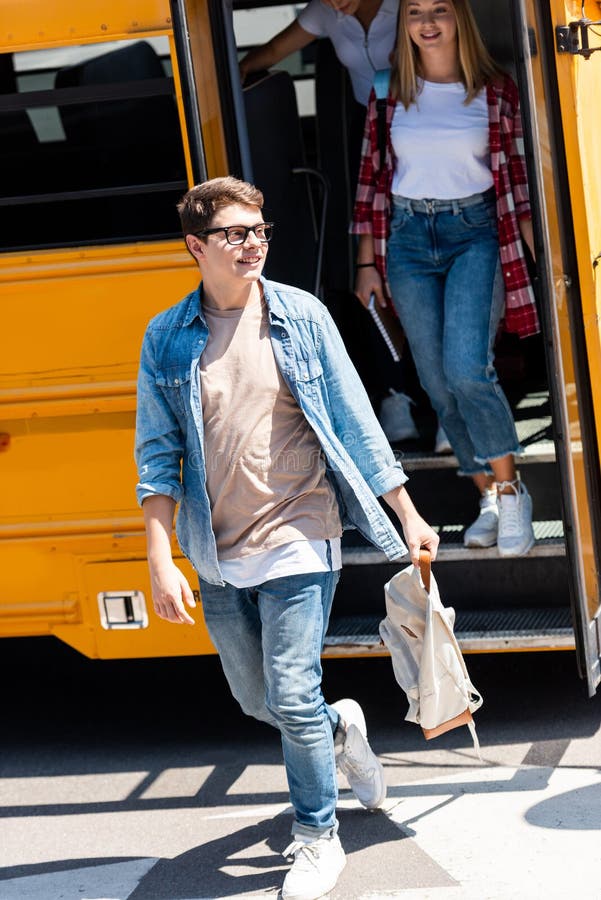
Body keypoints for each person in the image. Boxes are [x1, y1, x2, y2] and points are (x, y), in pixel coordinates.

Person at [135, 176, 439, 900]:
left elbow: (354, 417)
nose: (252, 245)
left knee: (292, 693)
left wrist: (406, 511)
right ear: (195, 247)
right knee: (257, 700)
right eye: (235, 234)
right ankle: (342, 731)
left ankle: (316, 835)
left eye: (260, 231)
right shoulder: (167, 336)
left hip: (302, 528)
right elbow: (157, 453)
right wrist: (160, 556)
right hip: (217, 546)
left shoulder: (300, 316)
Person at [352, 0, 539, 557]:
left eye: (439, 9)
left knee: (467, 370)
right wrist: (366, 263)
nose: (426, 22)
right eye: (414, 12)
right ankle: (486, 496)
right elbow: (370, 183)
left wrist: (543, 266)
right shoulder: (387, 91)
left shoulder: (496, 90)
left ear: (461, 18)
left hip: (475, 231)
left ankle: (511, 492)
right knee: (435, 383)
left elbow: (520, 187)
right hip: (407, 239)